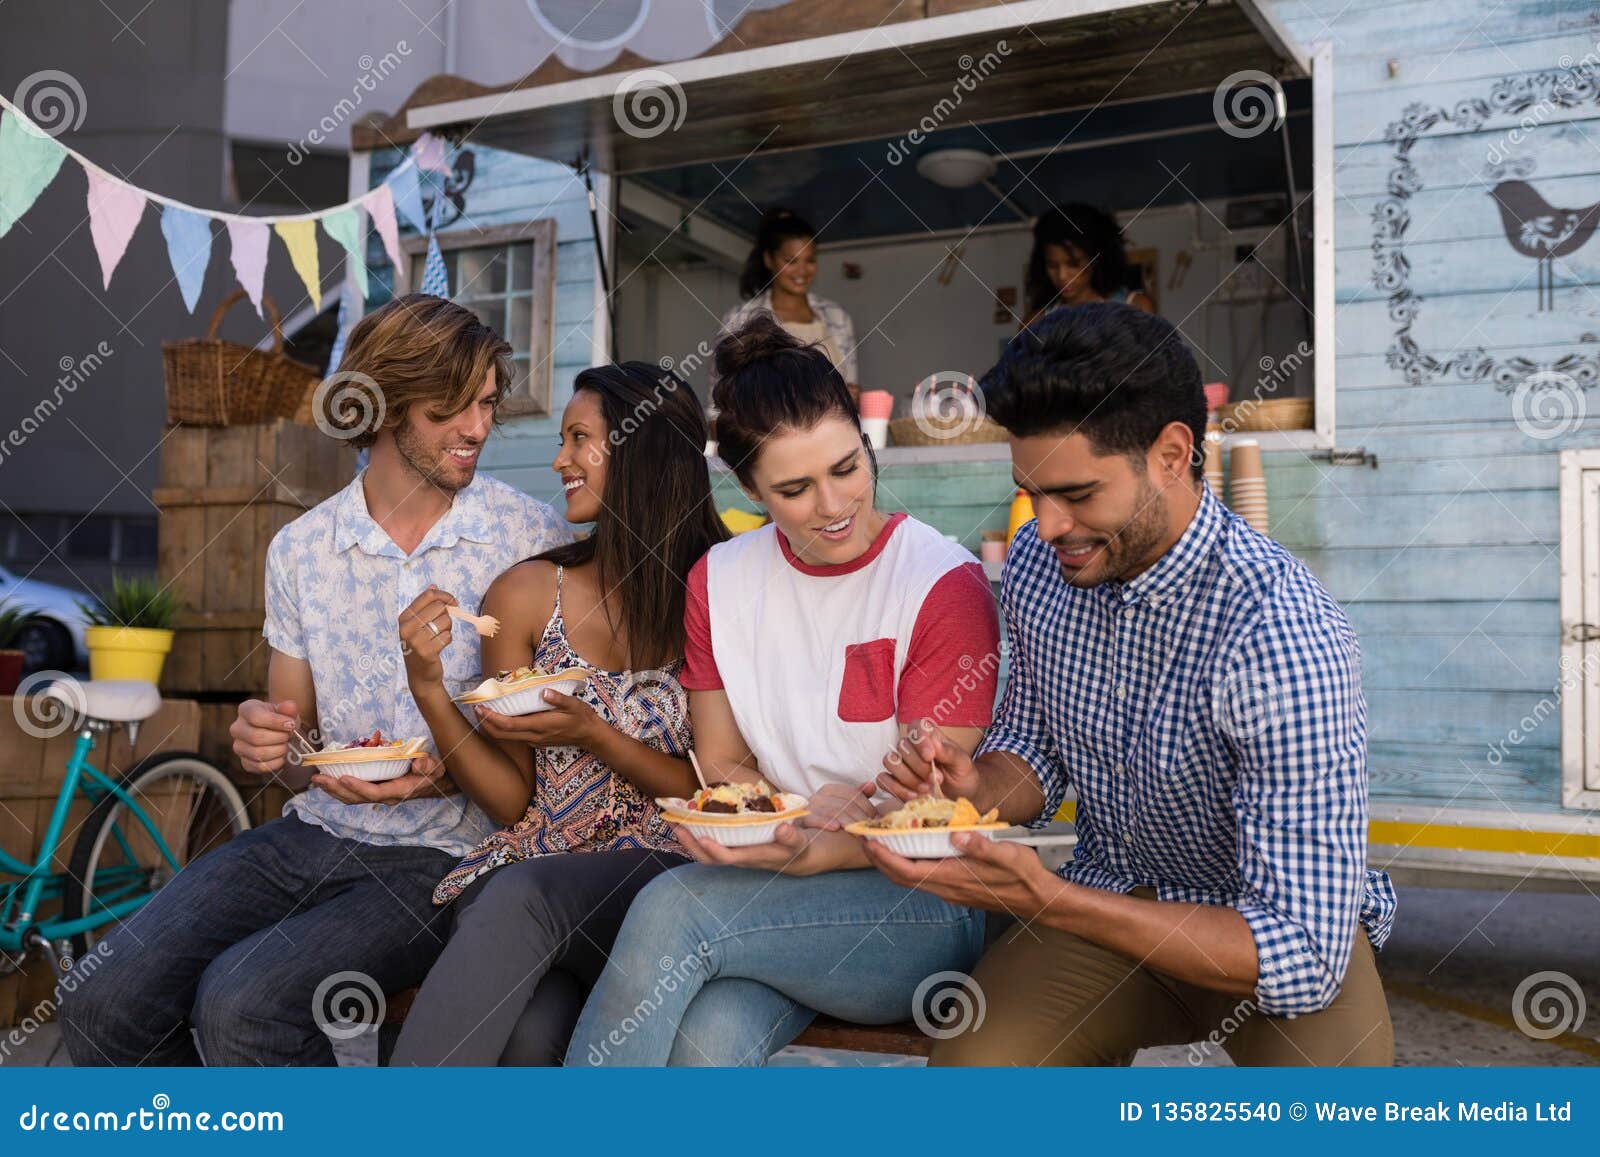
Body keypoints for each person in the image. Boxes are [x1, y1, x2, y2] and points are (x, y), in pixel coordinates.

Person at [866, 303, 1396, 1066]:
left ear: (1172, 454)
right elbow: (1032, 747)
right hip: (1112, 901)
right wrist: (974, 787)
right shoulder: (1041, 564)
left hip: (1263, 937)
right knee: (972, 1073)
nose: (1048, 525)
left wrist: (1049, 899)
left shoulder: (1280, 630)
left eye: (1078, 493)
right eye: (1032, 491)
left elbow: (1305, 951)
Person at [61, 295, 571, 1066]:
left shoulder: (529, 537)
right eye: (449, 409)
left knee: (243, 1003)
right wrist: (270, 742)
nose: (476, 428)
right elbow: (301, 746)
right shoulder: (302, 549)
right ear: (385, 405)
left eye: (487, 404)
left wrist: (439, 774)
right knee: (102, 997)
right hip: (316, 831)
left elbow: (551, 761)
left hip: (451, 854)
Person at [562, 315, 1001, 1067]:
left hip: (921, 902)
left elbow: (927, 814)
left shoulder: (940, 582)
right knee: (708, 1041)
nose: (833, 504)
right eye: (794, 489)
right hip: (775, 891)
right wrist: (793, 828)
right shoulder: (721, 580)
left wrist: (815, 849)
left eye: (847, 467)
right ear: (747, 487)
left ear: (864, 443)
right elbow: (723, 762)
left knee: (673, 907)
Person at [389, 363, 727, 1066]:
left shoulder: (721, 589)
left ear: (640, 450)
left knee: (519, 896)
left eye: (579, 438)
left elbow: (718, 794)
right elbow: (514, 802)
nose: (559, 460)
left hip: (667, 879)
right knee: (528, 1036)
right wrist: (428, 688)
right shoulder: (526, 594)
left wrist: (594, 734)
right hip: (542, 879)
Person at [721, 208, 858, 388]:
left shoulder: (837, 316)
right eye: (791, 261)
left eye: (810, 261)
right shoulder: (740, 319)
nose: (802, 271)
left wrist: (852, 393)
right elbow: (719, 395)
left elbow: (850, 383)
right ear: (768, 259)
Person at [1022, 203, 1155, 327]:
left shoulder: (1136, 308)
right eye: (1052, 265)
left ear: (1095, 259)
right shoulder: (1035, 323)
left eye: (1073, 264)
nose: (1062, 276)